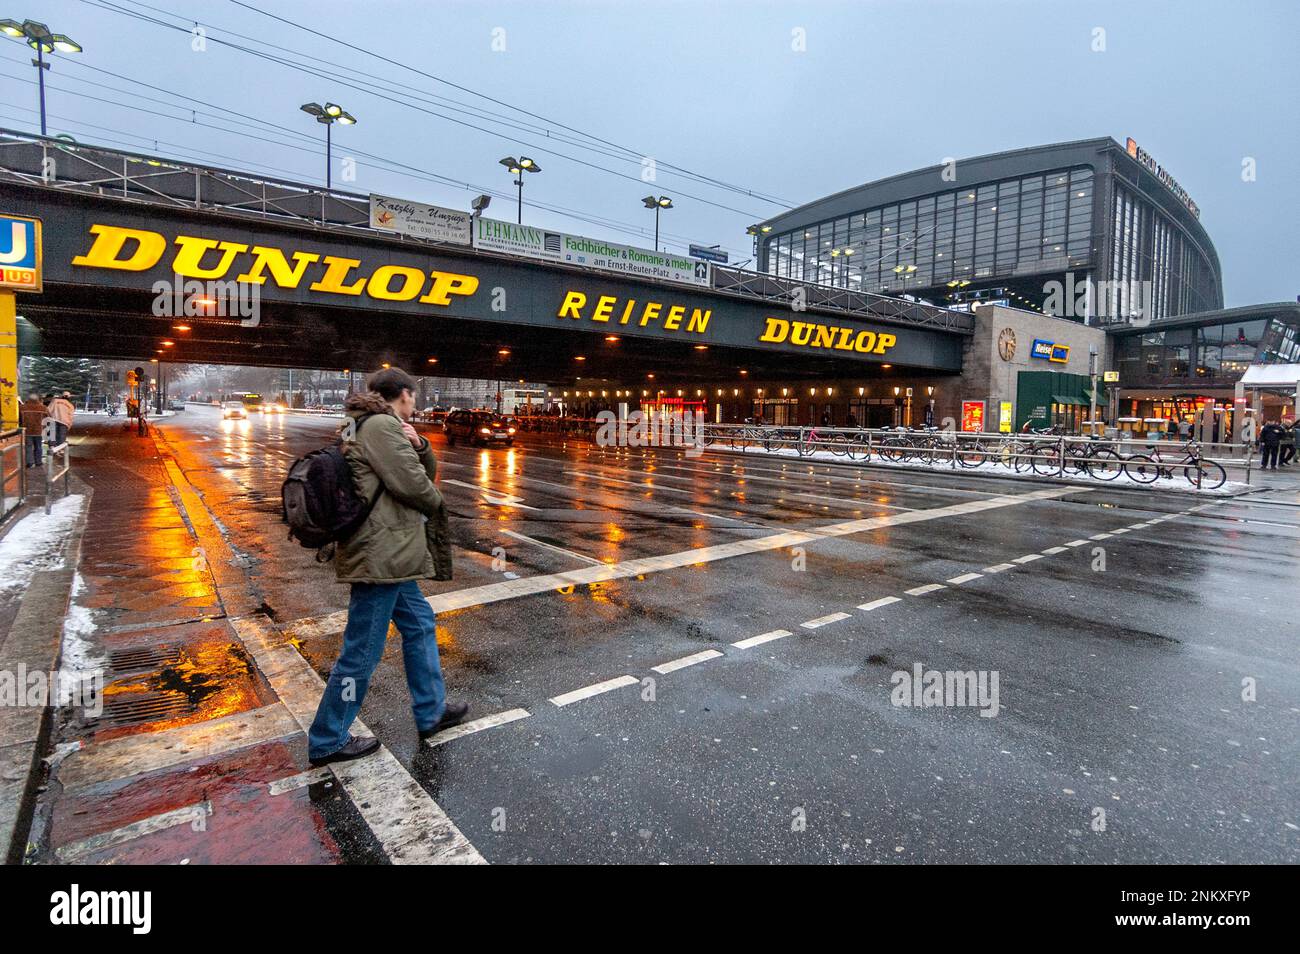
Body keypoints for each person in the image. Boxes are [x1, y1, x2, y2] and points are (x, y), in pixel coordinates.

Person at [308, 368, 465, 767]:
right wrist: (435, 497)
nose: (415, 402)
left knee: (419, 624)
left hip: (387, 550)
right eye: (414, 396)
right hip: (382, 551)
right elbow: (416, 486)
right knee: (362, 649)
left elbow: (411, 472)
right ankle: (328, 738)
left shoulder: (362, 424)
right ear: (405, 395)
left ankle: (432, 710)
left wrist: (421, 443)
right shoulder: (380, 426)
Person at [19, 392, 47, 468]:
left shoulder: (22, 407)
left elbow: (19, 419)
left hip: (27, 431)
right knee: (38, 447)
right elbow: (48, 419)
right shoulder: (43, 408)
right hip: (39, 431)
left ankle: (30, 463)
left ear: (28, 399)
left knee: (28, 446)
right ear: (37, 399)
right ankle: (38, 462)